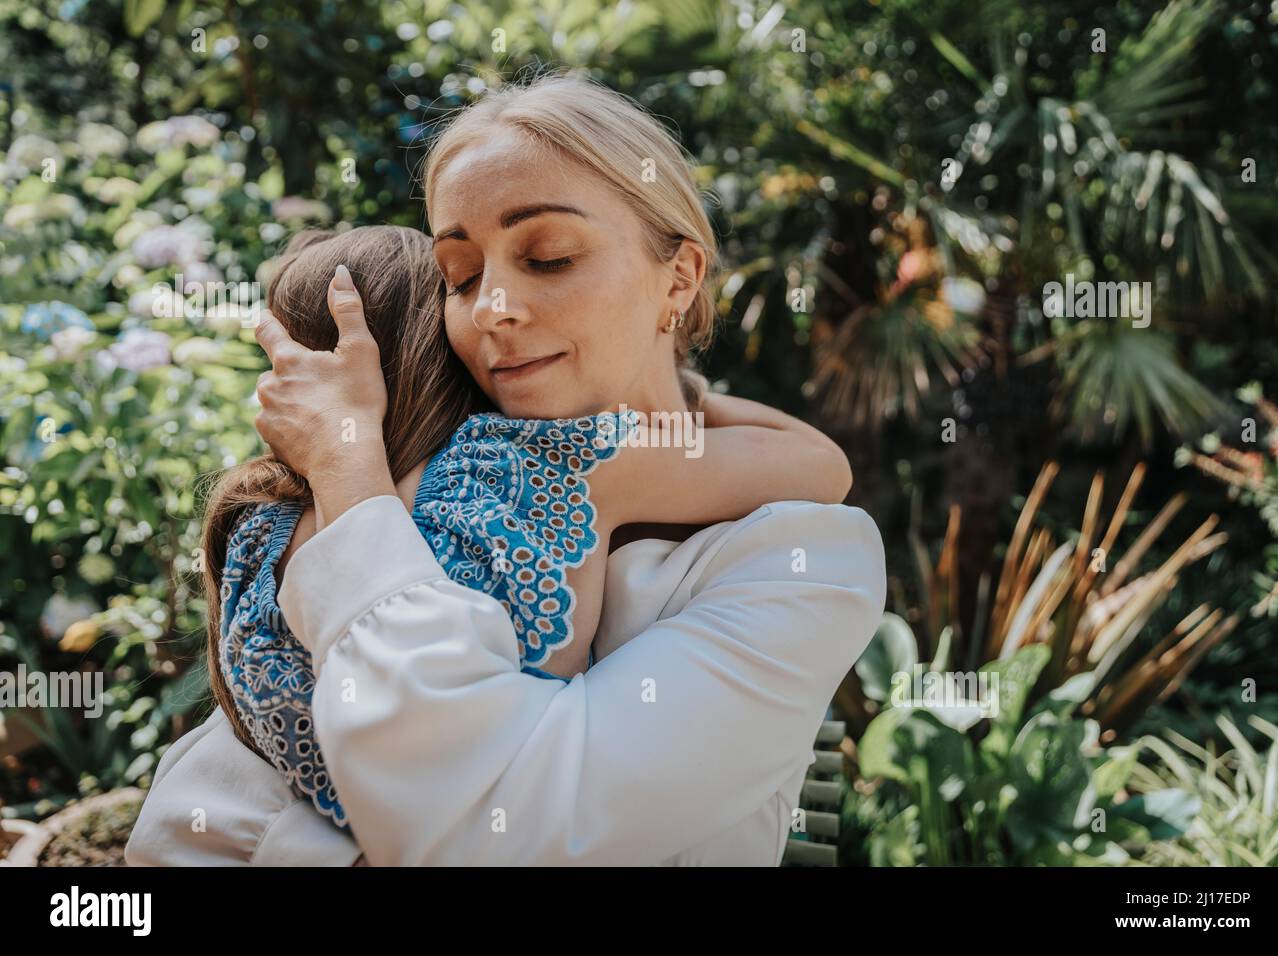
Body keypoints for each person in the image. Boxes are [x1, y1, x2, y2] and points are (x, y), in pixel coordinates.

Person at [125, 70, 886, 866]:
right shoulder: (430, 475)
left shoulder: (802, 561)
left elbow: (497, 833)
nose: (492, 308)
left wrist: (350, 470)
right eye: (459, 276)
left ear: (681, 276)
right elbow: (191, 807)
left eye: (549, 256)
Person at [203, 224, 856, 831]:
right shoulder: (530, 461)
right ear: (441, 342)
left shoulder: (252, 533)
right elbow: (820, 465)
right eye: (462, 289)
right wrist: (674, 388)